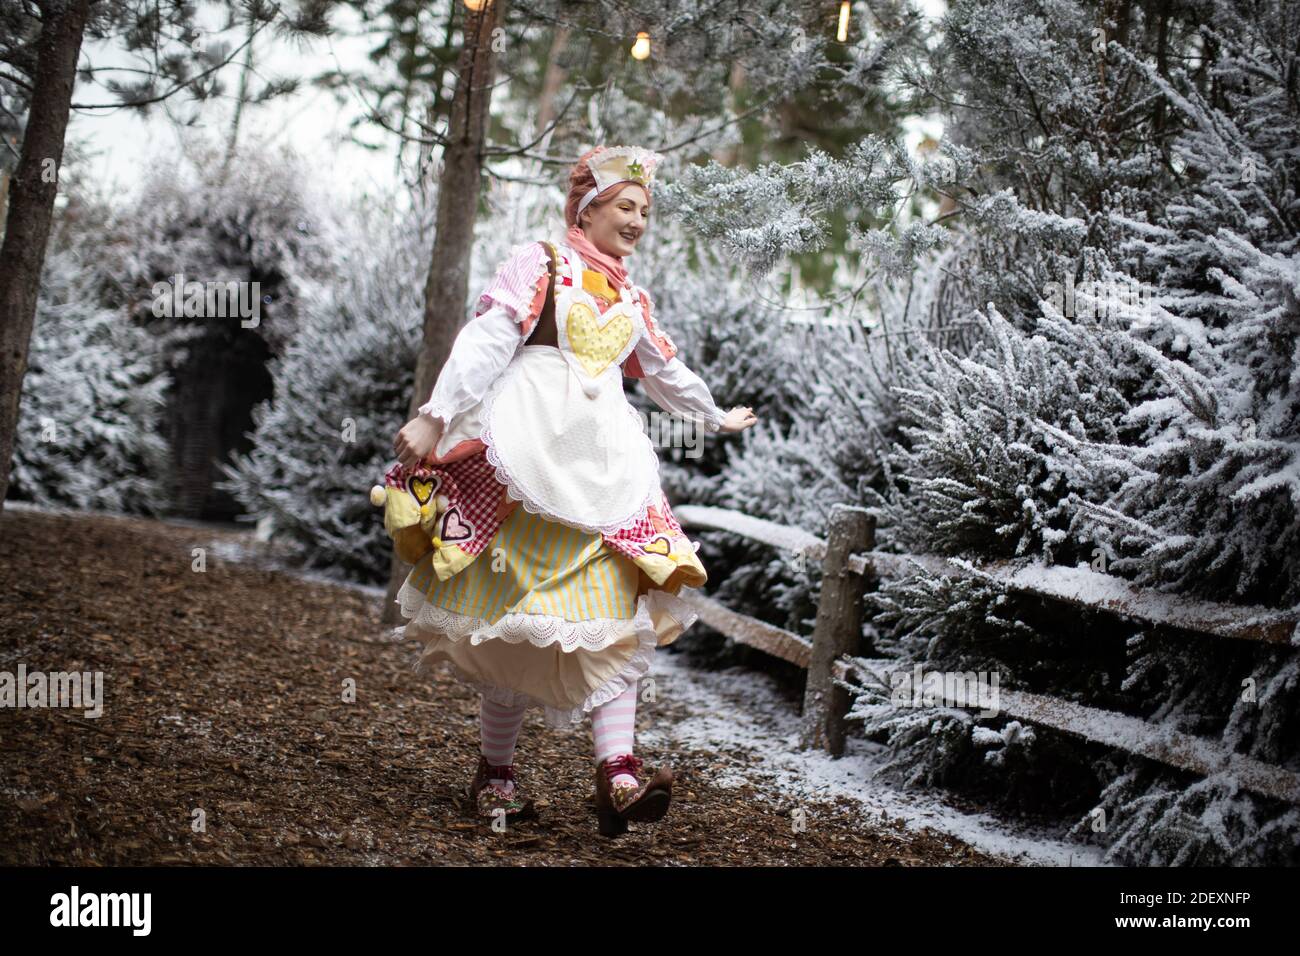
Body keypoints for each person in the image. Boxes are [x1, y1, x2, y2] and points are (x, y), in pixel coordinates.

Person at [383, 144, 757, 837]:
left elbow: (663, 370)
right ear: (589, 207)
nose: (638, 220)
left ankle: (618, 774)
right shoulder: (542, 263)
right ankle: (496, 777)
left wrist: (712, 414)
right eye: (626, 206)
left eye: (646, 210)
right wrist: (437, 413)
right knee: (513, 614)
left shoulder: (632, 296)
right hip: (526, 462)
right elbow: (489, 338)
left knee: (617, 609)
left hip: (605, 471)